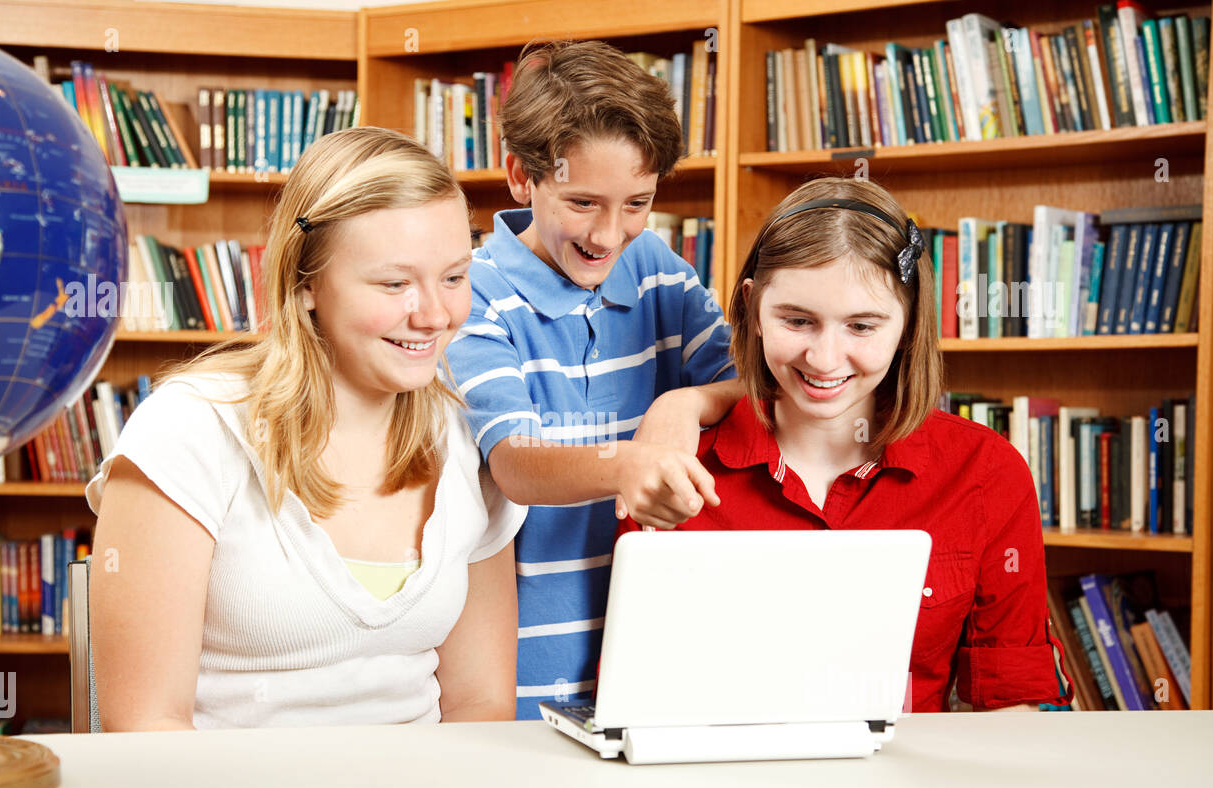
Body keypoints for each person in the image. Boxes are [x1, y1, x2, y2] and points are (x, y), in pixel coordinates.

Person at [86, 127, 526, 731]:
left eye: (453, 277)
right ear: (306, 283)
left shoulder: (466, 440)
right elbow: (146, 725)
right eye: (395, 283)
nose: (434, 314)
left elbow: (481, 705)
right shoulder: (188, 430)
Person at [618, 177, 1074, 713]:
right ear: (753, 309)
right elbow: (637, 694)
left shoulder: (985, 472)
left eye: (861, 326)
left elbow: (1014, 704)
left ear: (907, 325)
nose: (825, 359)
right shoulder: (674, 470)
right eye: (797, 320)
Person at [443, 40, 744, 719]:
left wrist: (683, 403)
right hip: (525, 665)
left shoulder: (658, 267)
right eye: (583, 202)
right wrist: (625, 464)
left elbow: (753, 387)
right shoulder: (475, 292)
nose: (610, 235)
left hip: (663, 652)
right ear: (521, 175)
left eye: (637, 202)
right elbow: (516, 464)